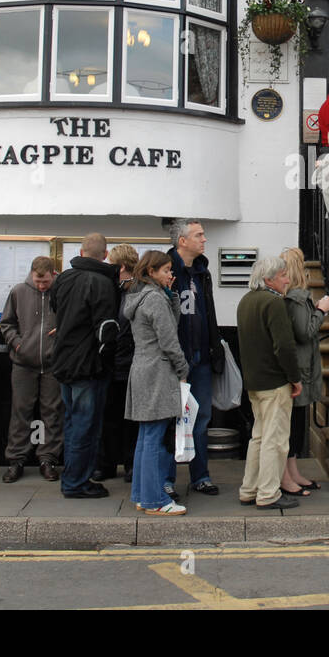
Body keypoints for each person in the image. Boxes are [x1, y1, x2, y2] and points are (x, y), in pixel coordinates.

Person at [48, 233, 119, 499]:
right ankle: (77, 482)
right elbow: (106, 329)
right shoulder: (102, 282)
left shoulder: (64, 278)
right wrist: (105, 359)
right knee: (85, 425)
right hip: (89, 365)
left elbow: (58, 310)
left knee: (71, 422)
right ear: (105, 253)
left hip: (63, 360)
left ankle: (71, 476)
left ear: (80, 251)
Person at [124, 250, 188, 516]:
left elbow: (169, 325)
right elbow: (169, 339)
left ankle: (142, 495)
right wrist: (183, 368)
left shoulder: (142, 296)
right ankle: (155, 500)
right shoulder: (154, 299)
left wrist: (171, 296)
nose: (170, 274)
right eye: (165, 270)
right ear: (151, 272)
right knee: (153, 438)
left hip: (141, 369)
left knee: (146, 436)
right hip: (158, 371)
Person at [236, 255, 303, 510]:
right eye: (283, 275)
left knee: (259, 438)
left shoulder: (246, 301)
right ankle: (268, 494)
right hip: (275, 383)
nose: (287, 279)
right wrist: (295, 378)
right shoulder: (274, 303)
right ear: (269, 279)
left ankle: (249, 489)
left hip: (254, 382)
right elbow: (284, 347)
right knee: (275, 440)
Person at [166, 219, 224, 499]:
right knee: (170, 419)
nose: (204, 240)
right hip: (173, 359)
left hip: (200, 355)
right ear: (182, 241)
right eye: (199, 235)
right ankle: (167, 480)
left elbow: (208, 310)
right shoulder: (166, 269)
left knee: (201, 418)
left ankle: (200, 476)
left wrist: (215, 348)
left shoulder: (202, 270)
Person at [0, 256, 62, 483]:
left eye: (45, 281)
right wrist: (17, 343)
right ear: (31, 275)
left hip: (52, 363)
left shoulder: (61, 291)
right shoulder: (19, 291)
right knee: (20, 412)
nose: (41, 286)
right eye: (37, 281)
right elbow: (7, 323)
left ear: (52, 275)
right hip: (23, 362)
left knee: (51, 413)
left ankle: (47, 458)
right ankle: (16, 459)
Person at [280, 247, 329, 497]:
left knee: (297, 424)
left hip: (300, 367)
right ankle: (288, 476)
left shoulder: (292, 298)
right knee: (293, 425)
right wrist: (321, 311)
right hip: (300, 369)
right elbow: (305, 332)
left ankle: (293, 472)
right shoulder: (298, 299)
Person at [99, 243, 139, 482]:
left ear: (121, 266)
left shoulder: (125, 292)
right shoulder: (127, 291)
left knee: (119, 419)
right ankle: (118, 464)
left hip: (124, 363)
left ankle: (117, 464)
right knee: (119, 419)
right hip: (121, 363)